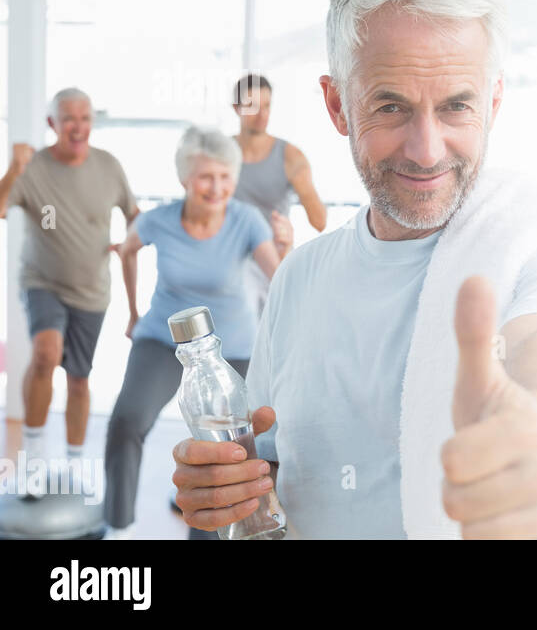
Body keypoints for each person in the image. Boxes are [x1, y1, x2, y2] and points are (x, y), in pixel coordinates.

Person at [171, 0, 537, 539]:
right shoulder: (299, 277)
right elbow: (282, 466)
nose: (426, 149)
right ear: (337, 106)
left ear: (494, 104)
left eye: (457, 105)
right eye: (390, 106)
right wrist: (228, 488)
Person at [103, 126, 280, 539]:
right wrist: (132, 312)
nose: (217, 187)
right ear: (185, 178)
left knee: (221, 450)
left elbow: (280, 276)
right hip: (164, 342)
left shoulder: (246, 220)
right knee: (127, 420)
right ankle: (119, 526)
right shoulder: (158, 220)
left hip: (232, 347)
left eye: (225, 176)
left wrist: (287, 250)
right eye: (205, 177)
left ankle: (209, 535)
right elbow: (127, 250)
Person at [0, 88, 138, 494]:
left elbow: (134, 217)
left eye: (85, 118)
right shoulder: (33, 168)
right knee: (45, 354)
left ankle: (76, 463)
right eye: (69, 119)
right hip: (42, 282)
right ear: (52, 125)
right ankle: (34, 459)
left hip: (92, 290)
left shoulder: (109, 167)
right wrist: (12, 167)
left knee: (79, 378)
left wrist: (128, 242)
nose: (78, 127)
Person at [231, 73, 327, 313]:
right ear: (236, 108)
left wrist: (303, 183)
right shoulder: (221, 154)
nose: (262, 115)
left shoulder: (290, 156)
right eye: (253, 106)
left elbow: (319, 221)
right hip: (231, 261)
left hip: (274, 257)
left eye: (267, 106)